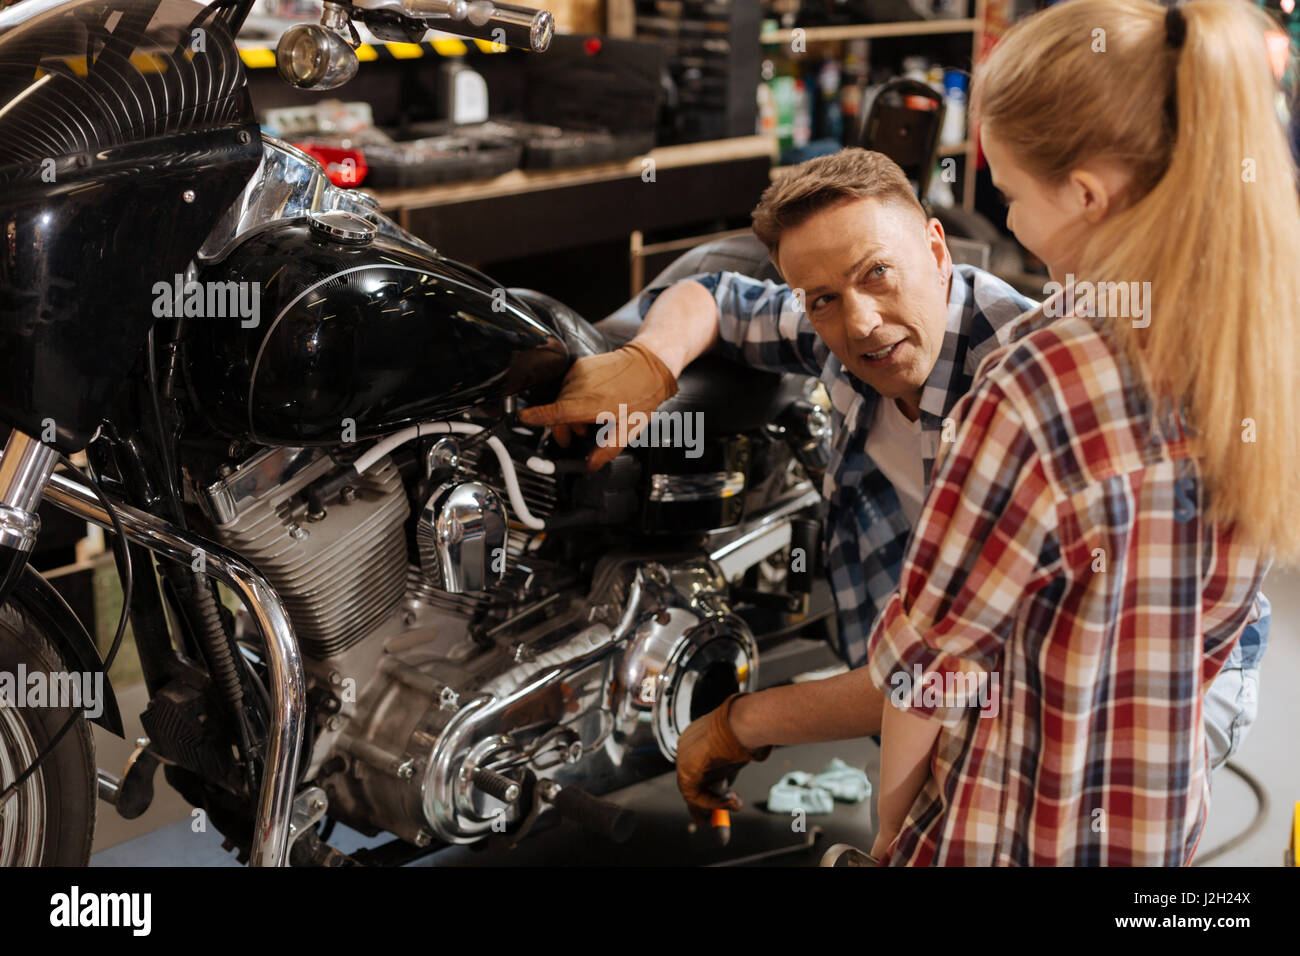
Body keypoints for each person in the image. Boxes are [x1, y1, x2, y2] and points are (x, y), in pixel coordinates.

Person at [520, 135, 1270, 840]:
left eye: (877, 273)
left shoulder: (1018, 393)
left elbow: (942, 672)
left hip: (1141, 688)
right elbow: (715, 294)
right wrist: (649, 362)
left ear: (937, 250)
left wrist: (739, 724)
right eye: (821, 298)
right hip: (942, 663)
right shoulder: (838, 327)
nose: (862, 324)